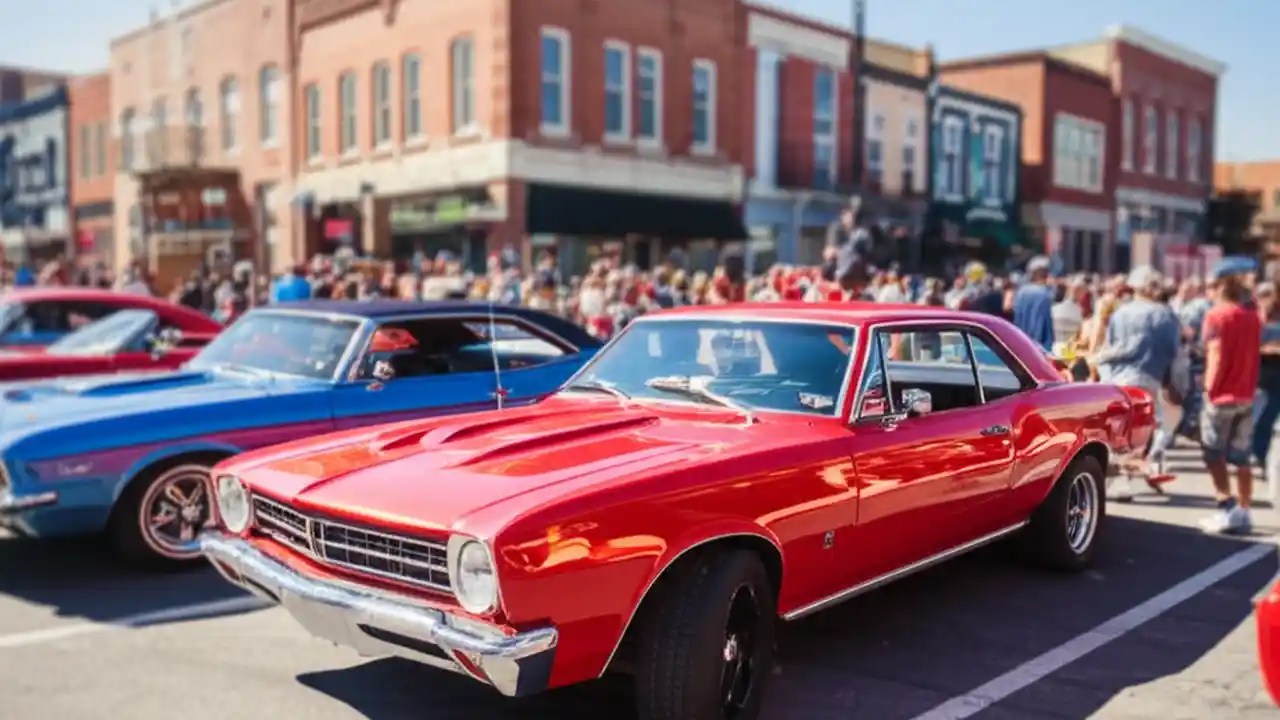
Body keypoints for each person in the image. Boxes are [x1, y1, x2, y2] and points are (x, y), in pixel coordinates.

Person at [1094, 267, 1182, 497]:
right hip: (1148, 376)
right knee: (1156, 425)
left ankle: (1124, 480)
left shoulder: (1121, 313)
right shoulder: (1165, 314)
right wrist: (1171, 382)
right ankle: (1151, 466)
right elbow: (1171, 350)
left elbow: (1110, 345)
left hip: (1118, 377)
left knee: (1123, 430)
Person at [1198, 262, 1263, 535]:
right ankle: (1244, 511)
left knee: (1213, 452)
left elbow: (1216, 353)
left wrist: (1208, 387)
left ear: (1221, 286)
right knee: (1241, 456)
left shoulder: (1217, 316)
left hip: (1222, 393)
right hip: (1246, 392)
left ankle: (1226, 505)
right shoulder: (1252, 316)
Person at [1012, 256, 1055, 350]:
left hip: (1019, 344)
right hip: (1037, 349)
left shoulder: (1021, 292)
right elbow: (1041, 326)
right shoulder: (1045, 294)